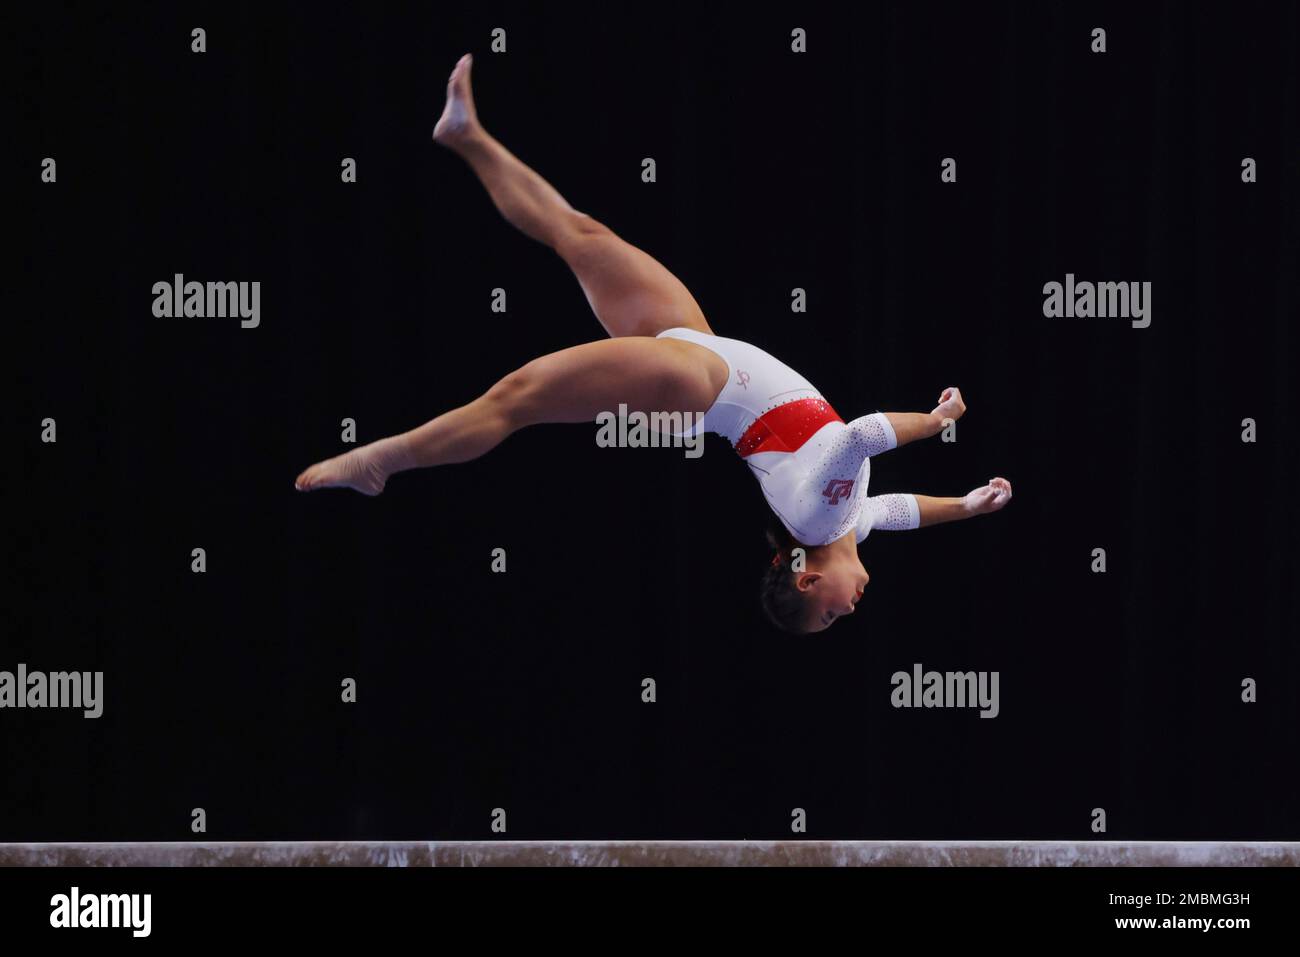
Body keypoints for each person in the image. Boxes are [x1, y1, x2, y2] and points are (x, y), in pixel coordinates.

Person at [295, 54, 1013, 633]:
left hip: (696, 381)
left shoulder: (818, 514)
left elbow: (858, 437)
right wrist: (969, 505)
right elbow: (900, 510)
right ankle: (467, 137)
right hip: (702, 352)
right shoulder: (847, 518)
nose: (851, 608)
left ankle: (381, 460)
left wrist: (940, 422)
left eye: (829, 611)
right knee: (582, 236)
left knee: (518, 396)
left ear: (806, 576)